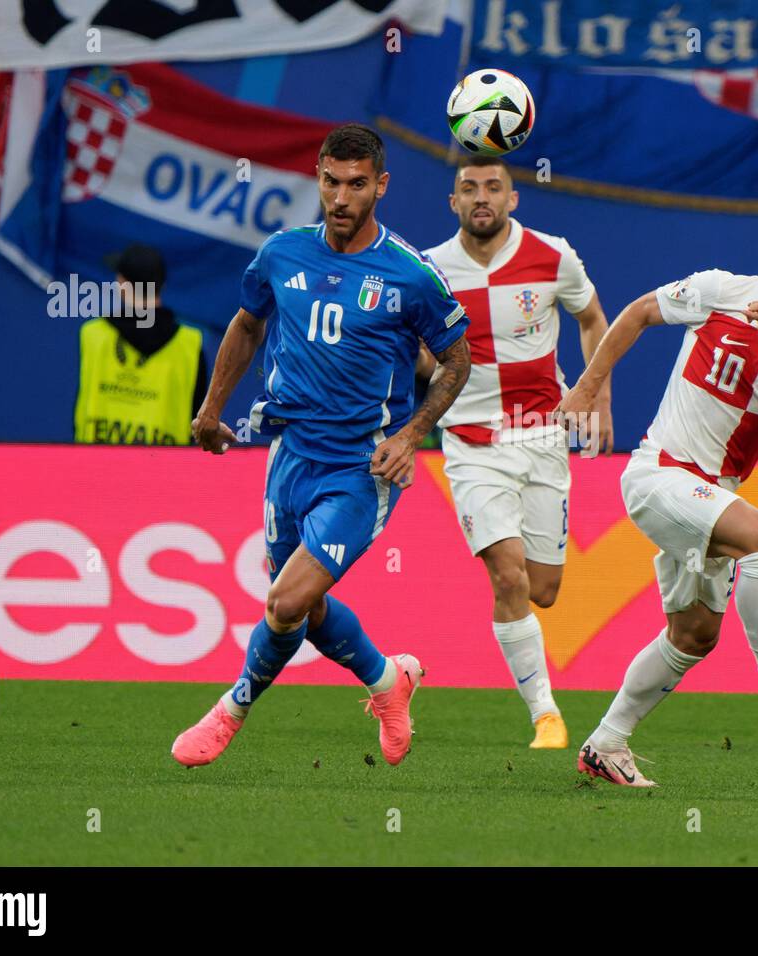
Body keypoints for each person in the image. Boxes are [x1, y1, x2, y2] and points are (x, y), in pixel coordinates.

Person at [170, 124, 471, 768]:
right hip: (289, 455)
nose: (341, 197)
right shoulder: (281, 253)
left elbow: (456, 362)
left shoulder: (411, 275)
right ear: (318, 177)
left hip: (362, 467)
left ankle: (229, 713)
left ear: (381, 187)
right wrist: (212, 406)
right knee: (301, 609)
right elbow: (248, 322)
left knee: (284, 600)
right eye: (331, 182)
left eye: (357, 185)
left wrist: (413, 435)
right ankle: (389, 682)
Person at [556, 201, 758, 787]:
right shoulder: (721, 289)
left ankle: (606, 743)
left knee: (694, 634)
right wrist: (590, 385)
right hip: (659, 474)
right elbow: (640, 311)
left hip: (712, 494)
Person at [418, 154, 612, 749]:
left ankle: (541, 700)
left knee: (541, 589)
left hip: (543, 435)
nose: (482, 196)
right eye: (469, 188)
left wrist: (595, 396)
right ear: (453, 203)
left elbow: (593, 318)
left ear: (512, 199)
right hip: (472, 442)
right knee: (507, 578)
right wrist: (429, 373)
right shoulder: (427, 270)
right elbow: (416, 349)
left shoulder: (554, 256)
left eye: (494, 187)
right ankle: (545, 716)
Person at [73, 244, 208, 444]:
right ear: (161, 286)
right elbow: (200, 419)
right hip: (164, 469)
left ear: (122, 284)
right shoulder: (190, 344)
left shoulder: (93, 334)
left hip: (95, 467)